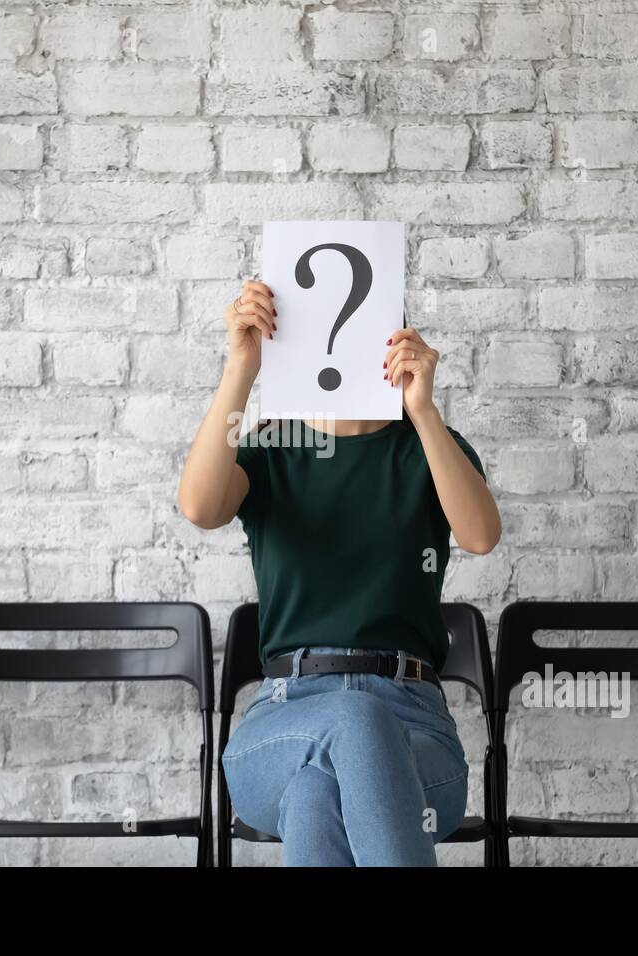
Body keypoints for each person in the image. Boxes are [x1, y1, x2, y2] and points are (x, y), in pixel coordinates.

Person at [177, 279, 501, 866]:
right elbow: (200, 506)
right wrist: (241, 371)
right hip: (286, 714)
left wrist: (423, 410)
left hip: (414, 727)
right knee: (348, 723)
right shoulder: (274, 449)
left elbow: (481, 535)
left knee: (313, 795)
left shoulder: (429, 449)